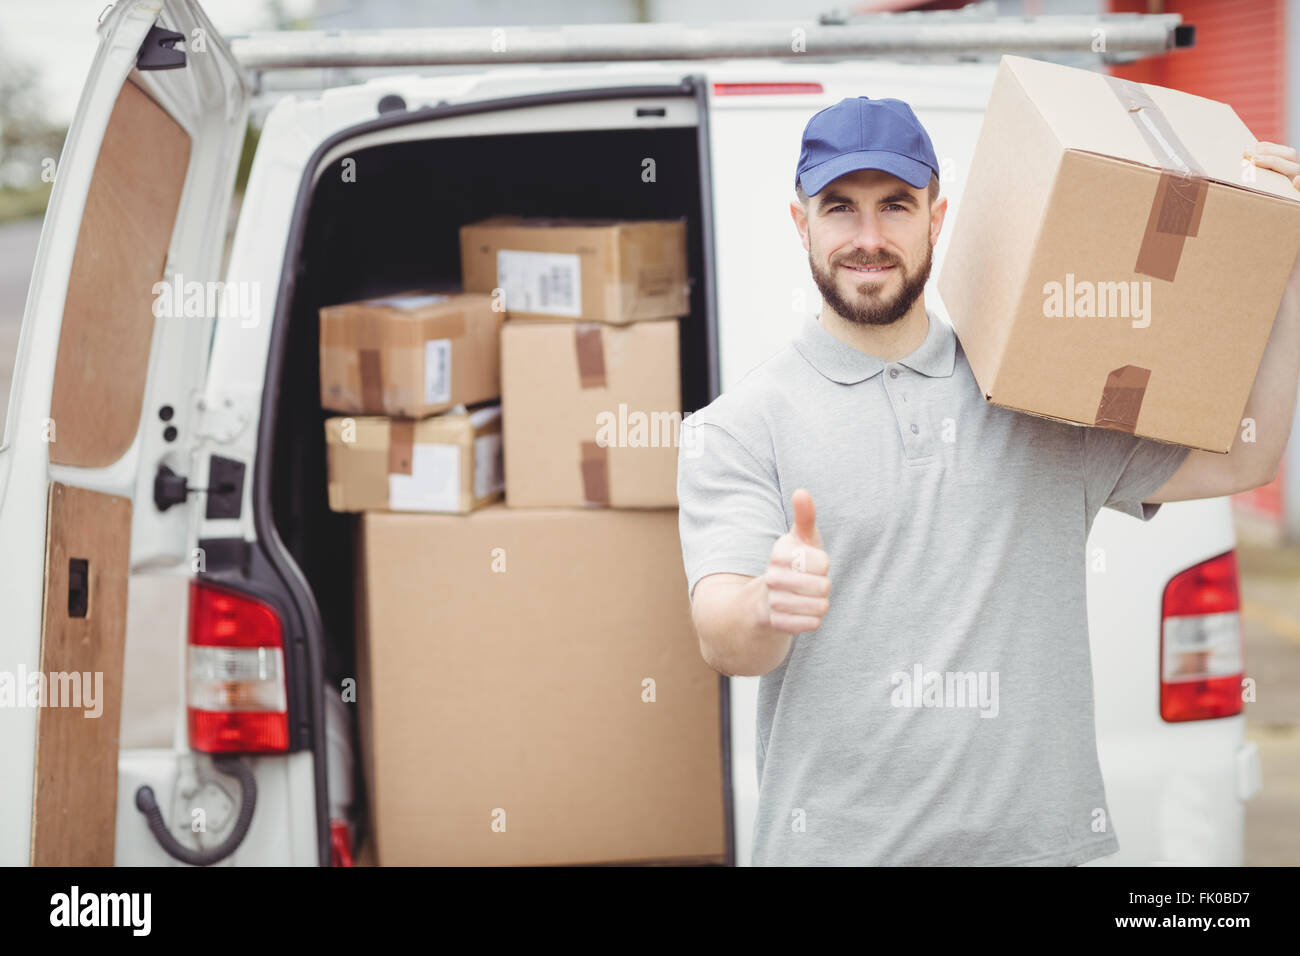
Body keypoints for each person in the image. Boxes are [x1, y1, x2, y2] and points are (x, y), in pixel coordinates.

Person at [676, 95, 1300, 866]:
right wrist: (770, 605)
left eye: (896, 206)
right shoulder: (739, 425)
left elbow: (1247, 457)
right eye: (841, 208)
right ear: (801, 223)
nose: (869, 239)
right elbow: (724, 638)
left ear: (937, 218)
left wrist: (1287, 266)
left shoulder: (1036, 393)